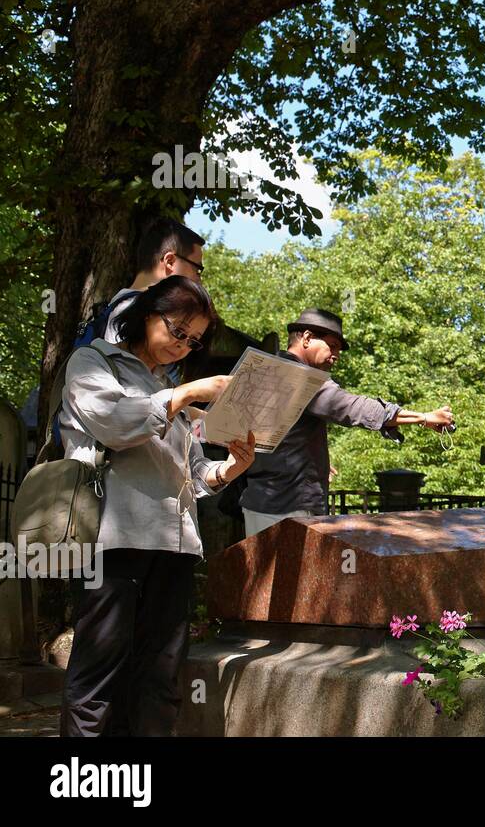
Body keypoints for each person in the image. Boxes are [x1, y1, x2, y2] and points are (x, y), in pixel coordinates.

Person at [58, 276, 256, 737]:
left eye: (194, 340)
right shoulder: (93, 362)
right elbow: (113, 424)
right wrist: (184, 395)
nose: (184, 345)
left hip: (175, 545)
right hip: (112, 538)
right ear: (148, 314)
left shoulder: (167, 387)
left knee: (160, 676)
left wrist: (230, 468)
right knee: (98, 674)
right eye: (177, 330)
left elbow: (193, 472)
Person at [238, 309, 454, 536]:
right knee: (290, 573)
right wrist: (424, 417)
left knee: (267, 573)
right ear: (307, 338)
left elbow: (262, 436)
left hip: (259, 502)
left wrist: (313, 462)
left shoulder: (265, 372)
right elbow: (353, 407)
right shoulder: (302, 378)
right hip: (287, 507)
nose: (336, 355)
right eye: (332, 346)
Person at [103, 217, 206, 344]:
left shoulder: (125, 305)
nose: (199, 281)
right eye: (198, 269)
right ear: (170, 261)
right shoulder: (131, 309)